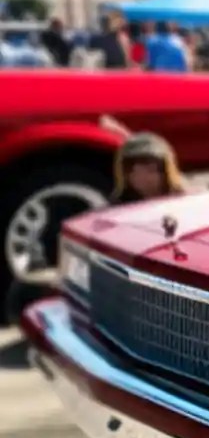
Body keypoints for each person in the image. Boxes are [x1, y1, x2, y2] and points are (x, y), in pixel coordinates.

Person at [5, 130, 186, 322]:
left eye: (150, 169)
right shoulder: (115, 210)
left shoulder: (186, 205)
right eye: (133, 170)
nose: (141, 177)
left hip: (167, 286)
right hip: (122, 283)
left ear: (165, 171)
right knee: (28, 290)